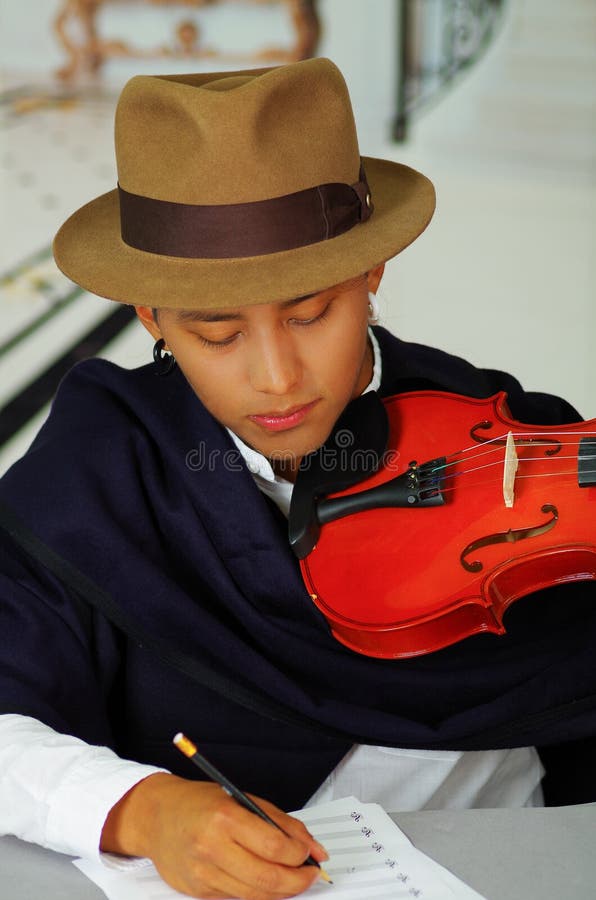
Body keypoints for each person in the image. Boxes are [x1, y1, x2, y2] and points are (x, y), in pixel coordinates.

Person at [0, 58, 594, 900]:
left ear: (371, 272)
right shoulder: (96, 470)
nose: (278, 378)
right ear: (151, 316)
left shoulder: (517, 438)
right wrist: (141, 808)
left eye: (312, 312)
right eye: (216, 333)